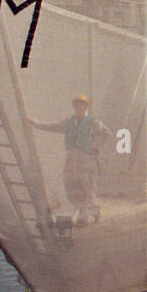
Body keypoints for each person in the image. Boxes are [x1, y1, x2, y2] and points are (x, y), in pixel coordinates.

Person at [28, 94, 112, 226]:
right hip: (71, 157)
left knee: (86, 185)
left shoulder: (93, 122)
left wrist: (94, 146)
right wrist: (36, 123)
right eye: (77, 105)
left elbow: (106, 134)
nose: (79, 107)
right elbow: (52, 126)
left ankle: (88, 213)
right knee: (71, 184)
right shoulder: (69, 122)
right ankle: (83, 210)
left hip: (86, 157)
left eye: (82, 105)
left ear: (86, 106)